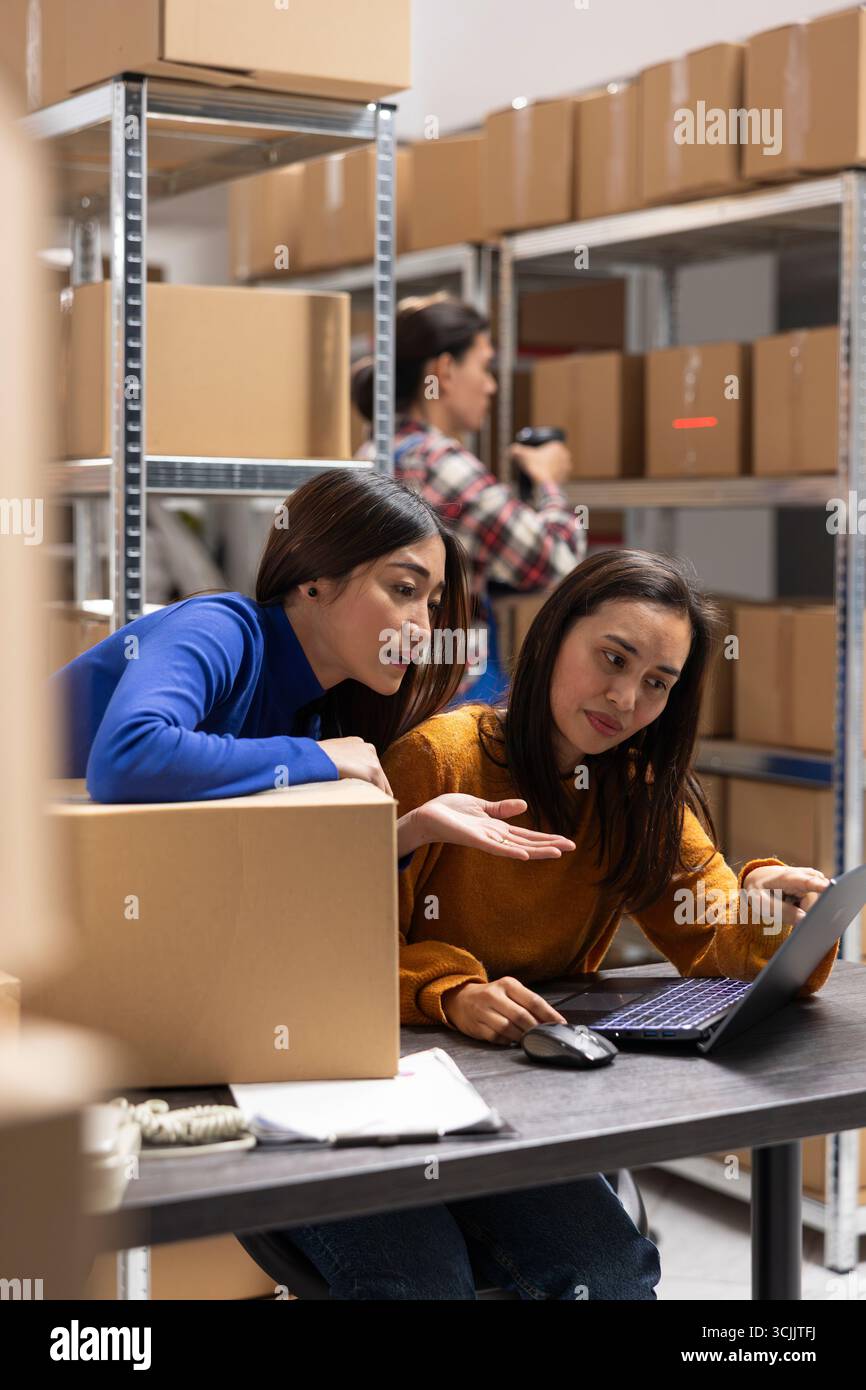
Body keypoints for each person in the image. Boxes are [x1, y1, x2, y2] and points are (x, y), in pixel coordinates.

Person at [240, 548, 836, 1300]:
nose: (625, 699)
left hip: (505, 1111)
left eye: (658, 684)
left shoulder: (636, 793)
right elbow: (328, 952)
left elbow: (716, 940)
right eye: (612, 659)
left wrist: (770, 904)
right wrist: (450, 991)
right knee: (421, 1283)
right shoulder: (440, 758)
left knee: (614, 1272)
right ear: (554, 637)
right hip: (347, 1096)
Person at [51, 469, 575, 867]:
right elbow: (126, 759)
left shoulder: (316, 712)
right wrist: (316, 758)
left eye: (432, 605)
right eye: (404, 590)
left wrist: (412, 831)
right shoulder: (218, 628)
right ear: (314, 580)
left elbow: (277, 870)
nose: (422, 627)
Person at [352, 293, 587, 703]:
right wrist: (549, 482)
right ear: (444, 369)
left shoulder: (370, 454)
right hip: (448, 694)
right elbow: (556, 563)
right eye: (484, 366)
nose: (492, 385)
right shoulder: (445, 464)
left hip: (388, 689)